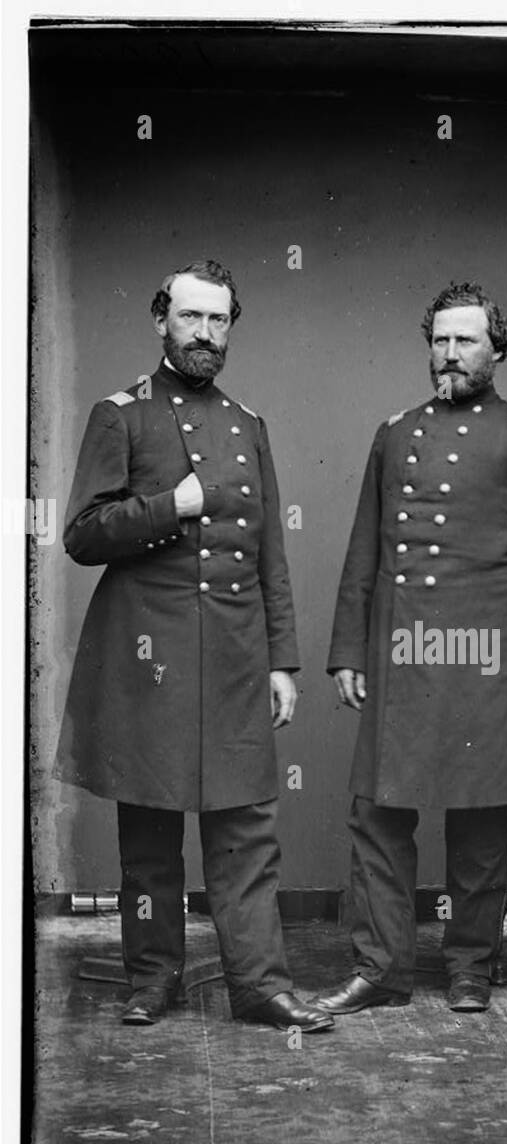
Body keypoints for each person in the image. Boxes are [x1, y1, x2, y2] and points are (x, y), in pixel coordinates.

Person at [55, 259, 333, 1035]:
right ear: (160, 320)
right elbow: (80, 535)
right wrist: (168, 505)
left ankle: (260, 987)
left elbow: (269, 553)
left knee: (246, 830)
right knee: (148, 833)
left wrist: (282, 660)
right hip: (148, 657)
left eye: (218, 321)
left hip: (238, 657)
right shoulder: (121, 414)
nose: (205, 334)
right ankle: (151, 981)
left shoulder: (249, 425)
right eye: (190, 318)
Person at [311, 281, 507, 1014]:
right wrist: (347, 652)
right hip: (400, 655)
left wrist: (506, 629)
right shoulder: (394, 431)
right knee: (377, 814)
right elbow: (363, 550)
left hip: (484, 663)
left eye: (465, 340)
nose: (449, 354)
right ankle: (381, 968)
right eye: (439, 340)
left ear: (498, 349)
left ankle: (469, 965)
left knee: (480, 818)